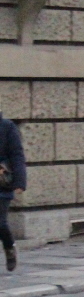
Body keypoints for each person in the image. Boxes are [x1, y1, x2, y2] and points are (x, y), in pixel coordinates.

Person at [0, 112, 25, 271]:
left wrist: (20, 182)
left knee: (0, 222)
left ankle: (9, 248)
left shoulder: (7, 127)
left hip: (1, 184)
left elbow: (17, 155)